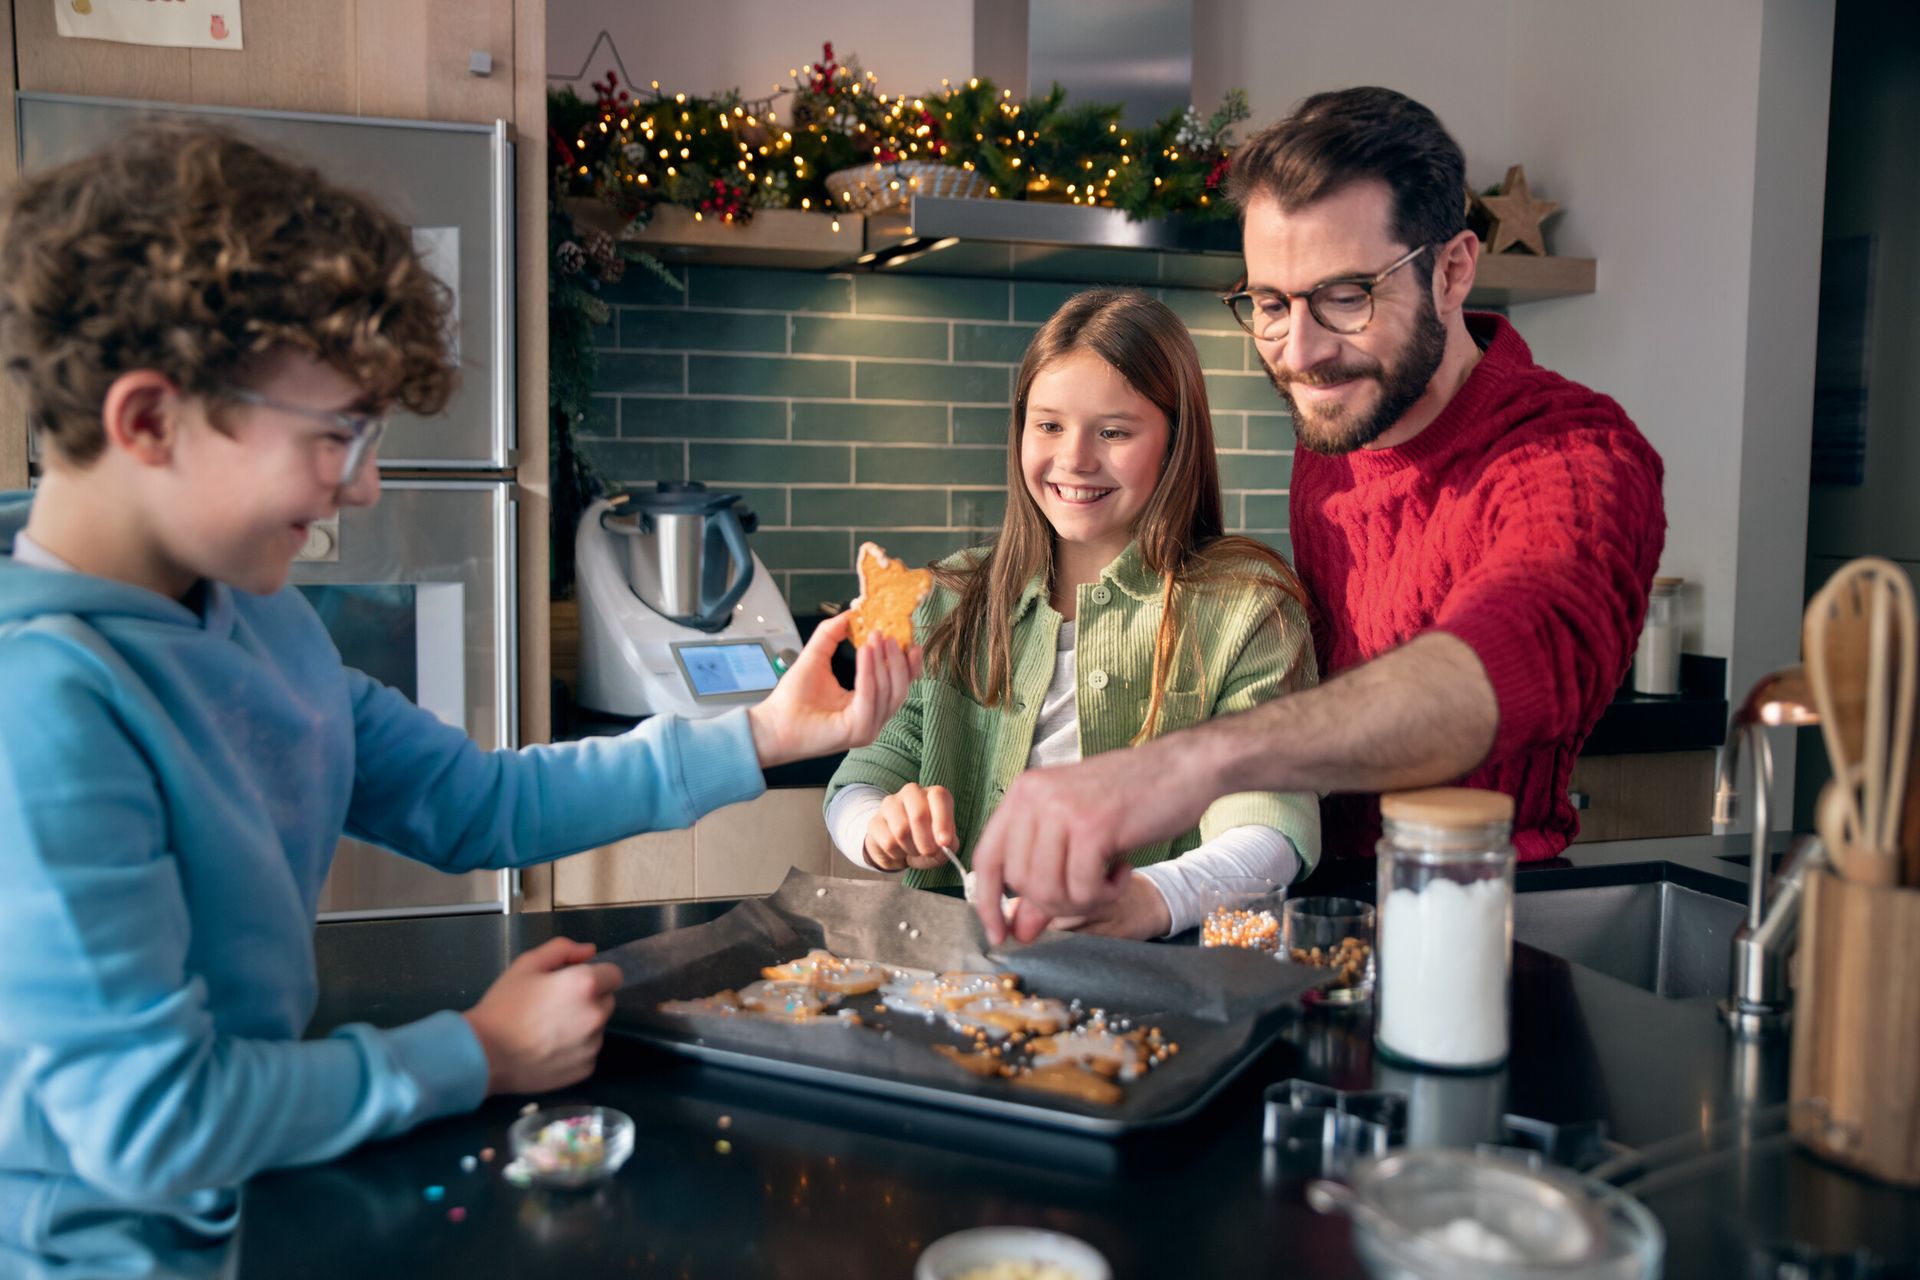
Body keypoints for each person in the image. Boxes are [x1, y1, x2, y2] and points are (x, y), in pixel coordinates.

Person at [0, 121, 918, 1274]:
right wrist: (476, 1052)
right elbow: (150, 1123)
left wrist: (768, 732)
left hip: (263, 1190)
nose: (366, 484)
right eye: (336, 435)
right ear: (147, 420)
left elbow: (479, 801)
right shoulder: (44, 708)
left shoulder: (248, 615)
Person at [970, 86, 1667, 944]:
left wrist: (1187, 764)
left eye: (1346, 296)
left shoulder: (1574, 456)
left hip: (1484, 923)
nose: (1299, 354)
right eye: (1270, 304)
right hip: (1316, 917)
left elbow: (1512, 654)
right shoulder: (1341, 425)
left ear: (1452, 271)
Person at [823, 289, 1320, 940]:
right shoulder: (952, 598)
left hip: (1162, 967)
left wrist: (1149, 900)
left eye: (1114, 432)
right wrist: (880, 827)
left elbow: (1270, 825)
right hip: (964, 968)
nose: (1075, 459)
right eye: (1049, 426)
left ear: (1175, 442)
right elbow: (859, 782)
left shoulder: (1247, 604)